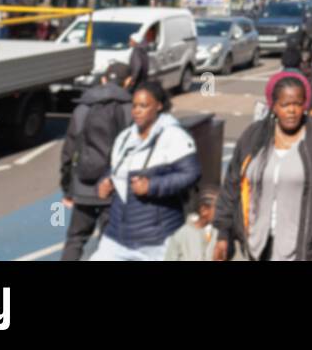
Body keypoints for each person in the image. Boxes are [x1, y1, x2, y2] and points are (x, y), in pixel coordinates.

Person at [212, 72, 312, 261]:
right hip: (256, 246)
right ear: (273, 106)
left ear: (305, 105)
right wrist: (223, 234)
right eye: (285, 105)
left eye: (297, 104)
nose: (292, 111)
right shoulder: (253, 137)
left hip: (305, 248)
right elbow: (231, 187)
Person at [92, 81, 200, 261]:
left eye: (143, 106)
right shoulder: (125, 137)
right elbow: (114, 169)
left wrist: (152, 186)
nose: (136, 111)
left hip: (156, 240)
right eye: (134, 106)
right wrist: (104, 183)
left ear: (158, 106)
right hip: (117, 236)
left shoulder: (173, 136)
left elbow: (191, 173)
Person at [59, 61, 133, 261]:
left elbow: (69, 150)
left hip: (83, 182)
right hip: (114, 187)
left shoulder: (84, 107)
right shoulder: (130, 109)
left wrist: (67, 187)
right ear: (128, 81)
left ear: (102, 79)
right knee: (109, 242)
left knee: (75, 239)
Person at [165, 187, 219, 261]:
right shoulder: (181, 234)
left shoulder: (217, 233)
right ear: (204, 210)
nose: (222, 212)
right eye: (218, 208)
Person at [124, 23, 158, 93]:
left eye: (131, 40)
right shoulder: (143, 50)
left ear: (135, 41)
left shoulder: (136, 51)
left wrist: (133, 79)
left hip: (137, 81)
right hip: (143, 79)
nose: (129, 42)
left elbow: (137, 66)